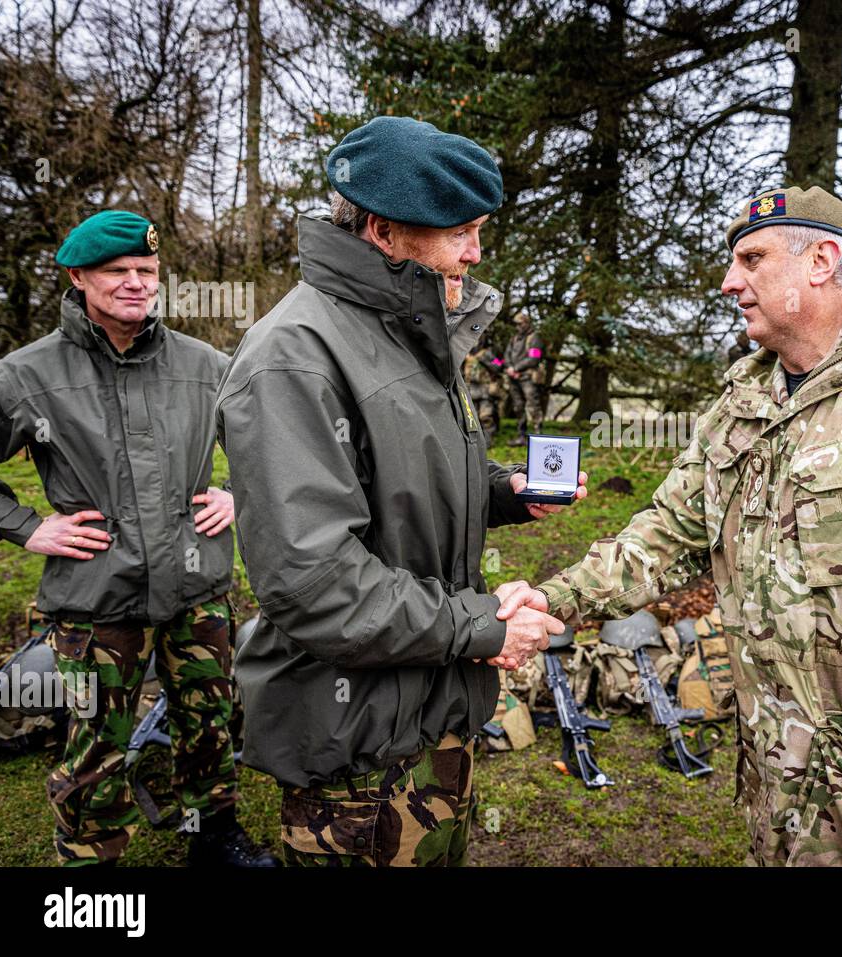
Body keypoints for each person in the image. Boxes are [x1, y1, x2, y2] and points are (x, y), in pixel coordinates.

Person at [495, 186, 842, 866]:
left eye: (751, 260)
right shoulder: (742, 403)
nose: (730, 282)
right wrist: (556, 599)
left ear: (819, 261)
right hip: (775, 788)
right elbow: (667, 532)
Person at [215, 117, 584, 867]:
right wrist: (484, 626)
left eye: (479, 230)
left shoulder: (408, 334)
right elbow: (315, 582)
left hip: (429, 712)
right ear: (384, 232)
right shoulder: (295, 355)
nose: (476, 252)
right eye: (461, 233)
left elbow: (403, 481)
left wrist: (506, 492)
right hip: (356, 744)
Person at [0, 210, 275, 867]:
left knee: (208, 721)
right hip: (96, 596)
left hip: (197, 587)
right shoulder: (26, 374)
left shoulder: (205, 365)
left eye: (146, 271)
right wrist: (28, 526)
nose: (134, 282)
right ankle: (92, 858)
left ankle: (214, 836)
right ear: (77, 277)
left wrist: (241, 494)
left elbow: (276, 447)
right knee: (97, 736)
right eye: (116, 271)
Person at [504, 311, 547, 445]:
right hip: (513, 378)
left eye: (520, 324)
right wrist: (510, 368)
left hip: (528, 378)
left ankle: (537, 437)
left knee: (533, 405)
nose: (518, 327)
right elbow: (506, 355)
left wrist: (516, 368)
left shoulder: (535, 338)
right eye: (516, 324)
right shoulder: (514, 339)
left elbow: (534, 358)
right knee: (518, 407)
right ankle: (521, 436)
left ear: (527, 323)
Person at [463, 336, 507, 444]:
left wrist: (485, 361)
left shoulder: (488, 353)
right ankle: (476, 441)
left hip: (485, 390)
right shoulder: (466, 354)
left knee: (486, 416)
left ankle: (488, 440)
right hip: (471, 389)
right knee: (473, 417)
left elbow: (500, 366)